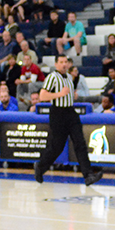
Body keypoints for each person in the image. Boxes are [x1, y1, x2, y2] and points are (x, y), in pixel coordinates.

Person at [33, 55, 103, 186]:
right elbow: (42, 96)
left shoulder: (69, 77)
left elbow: (67, 94)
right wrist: (59, 94)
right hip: (58, 113)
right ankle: (40, 166)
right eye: (61, 62)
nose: (64, 64)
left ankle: (88, 175)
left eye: (66, 62)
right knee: (57, 147)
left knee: (80, 143)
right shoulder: (52, 77)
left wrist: (72, 96)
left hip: (70, 112)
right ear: (56, 64)